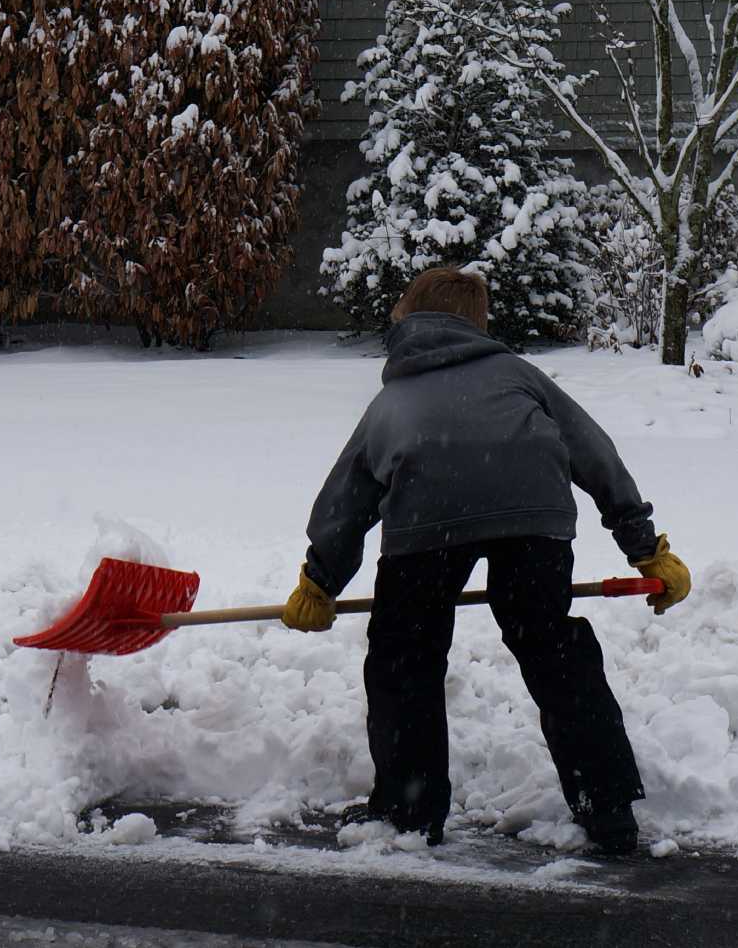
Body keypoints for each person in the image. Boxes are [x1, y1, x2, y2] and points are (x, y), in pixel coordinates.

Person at [280, 266, 690, 854]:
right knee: (553, 650)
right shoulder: (519, 376)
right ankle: (607, 806)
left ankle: (409, 809)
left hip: (425, 526)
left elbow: (347, 499)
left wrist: (320, 580)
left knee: (405, 658)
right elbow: (595, 453)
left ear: (407, 320)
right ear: (477, 324)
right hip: (534, 518)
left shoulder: (393, 401)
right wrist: (644, 547)